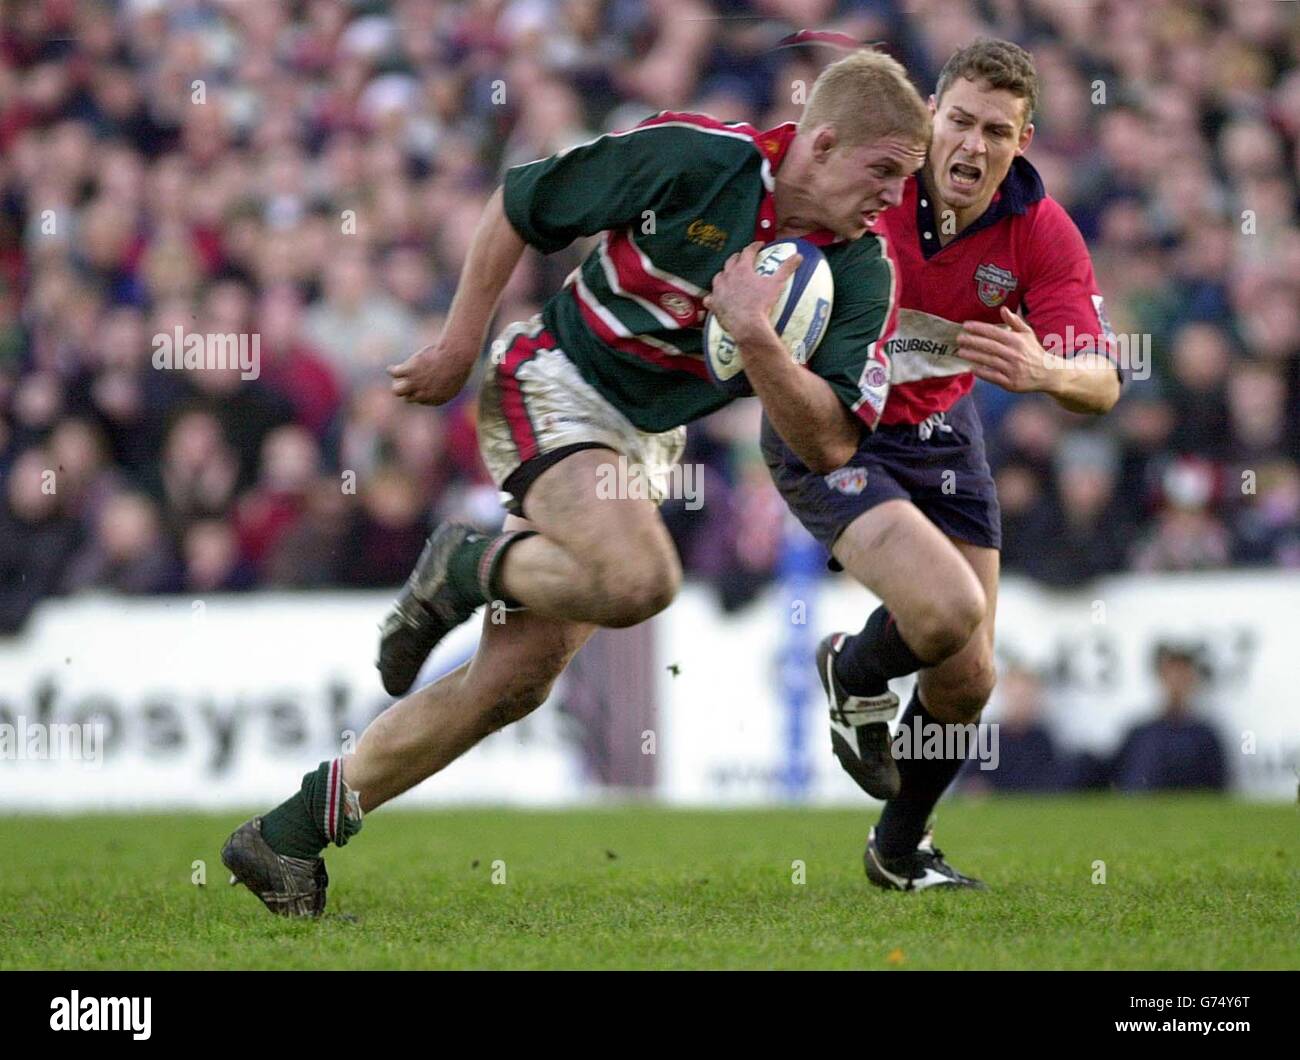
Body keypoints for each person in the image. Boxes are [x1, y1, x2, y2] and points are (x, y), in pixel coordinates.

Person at [221, 50, 931, 917]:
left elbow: (828, 443)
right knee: (640, 580)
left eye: (907, 178)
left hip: (643, 441)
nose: (896, 195)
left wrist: (758, 341)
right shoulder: (697, 159)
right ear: (820, 146)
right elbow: (521, 200)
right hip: (556, 381)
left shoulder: (863, 271)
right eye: (886, 170)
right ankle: (467, 565)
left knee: (513, 683)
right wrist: (455, 342)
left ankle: (290, 832)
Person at [763, 39, 1123, 891]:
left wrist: (1048, 373)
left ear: (1023, 140)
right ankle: (852, 670)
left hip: (942, 434)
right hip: (833, 422)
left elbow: (1102, 383)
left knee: (968, 674)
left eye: (996, 130)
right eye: (958, 120)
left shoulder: (1040, 232)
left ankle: (898, 849)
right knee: (942, 611)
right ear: (931, 115)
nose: (972, 144)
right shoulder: (868, 181)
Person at [1111, 643, 1227, 792]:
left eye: (1182, 674)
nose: (1176, 682)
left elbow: (1217, 788)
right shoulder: (1140, 734)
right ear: (1162, 678)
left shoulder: (1205, 737)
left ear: (1192, 680)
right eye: (1172, 674)